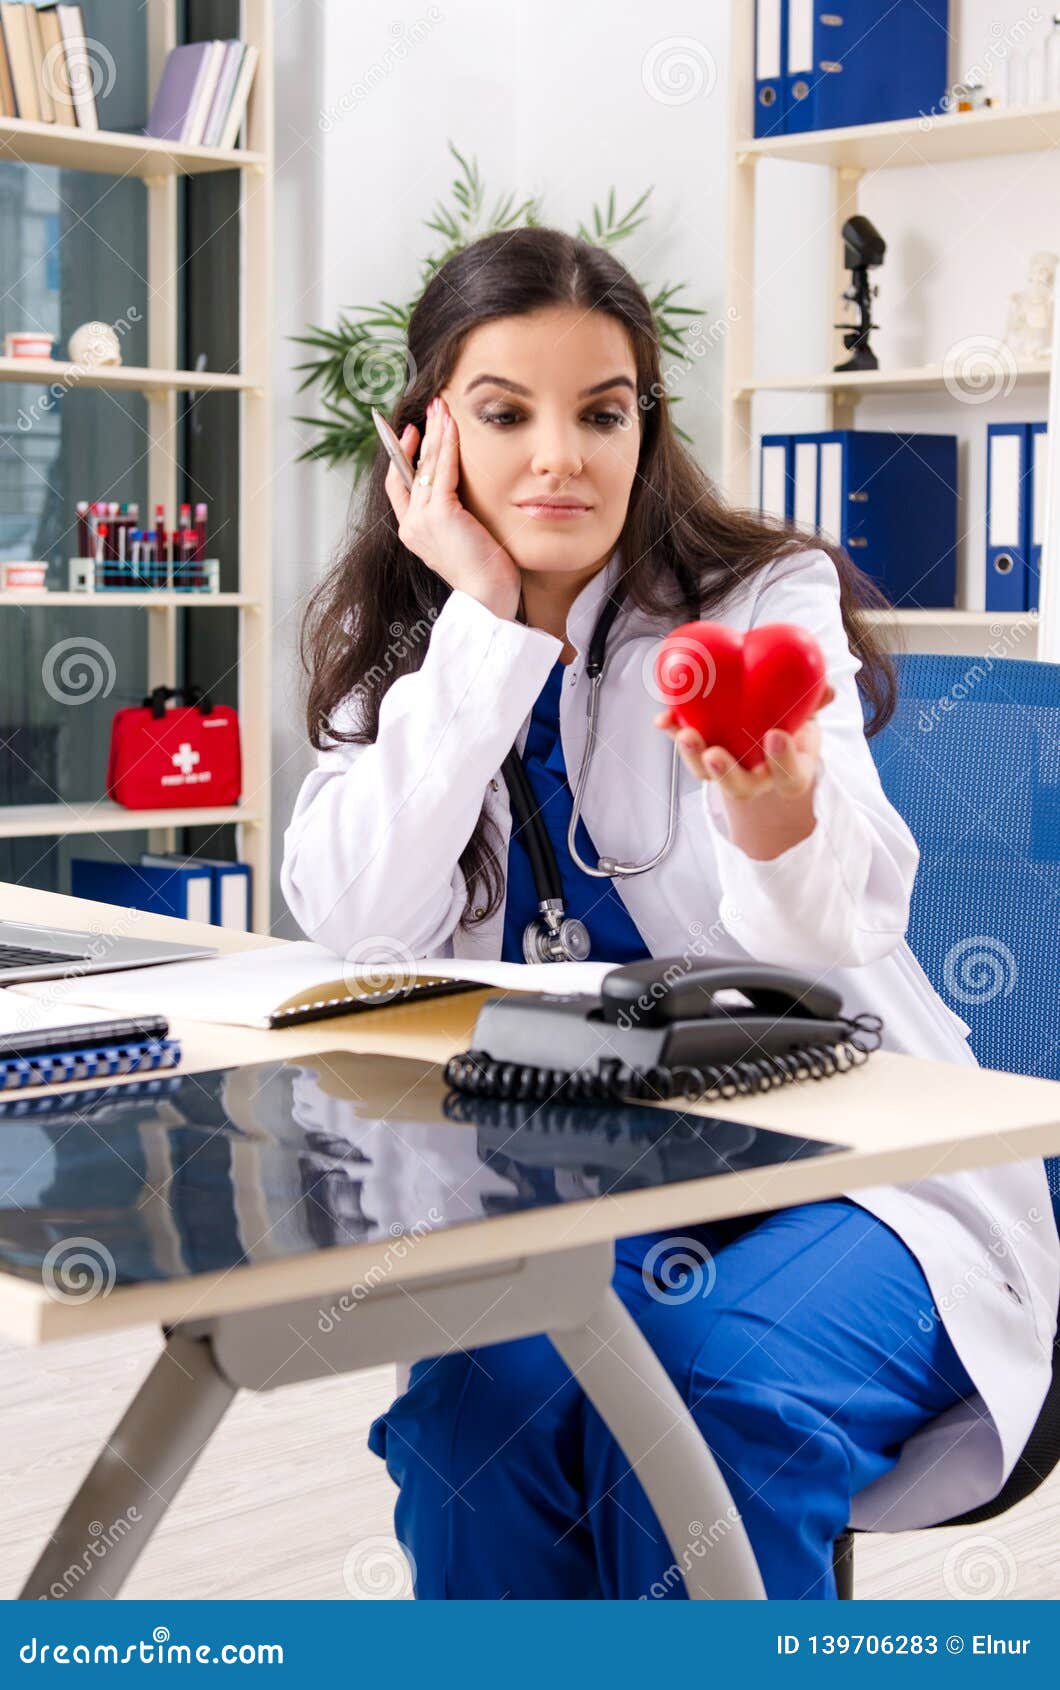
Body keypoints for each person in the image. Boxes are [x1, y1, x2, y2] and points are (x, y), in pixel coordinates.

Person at [280, 227, 1059, 1599]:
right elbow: (353, 919)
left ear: (649, 425)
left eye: (603, 412)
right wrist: (483, 623)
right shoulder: (408, 639)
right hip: (572, 1181)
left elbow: (841, 916)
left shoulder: (758, 604)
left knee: (718, 1390)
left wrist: (772, 814)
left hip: (846, 1172)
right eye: (505, 414)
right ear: (425, 442)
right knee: (482, 1400)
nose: (559, 459)